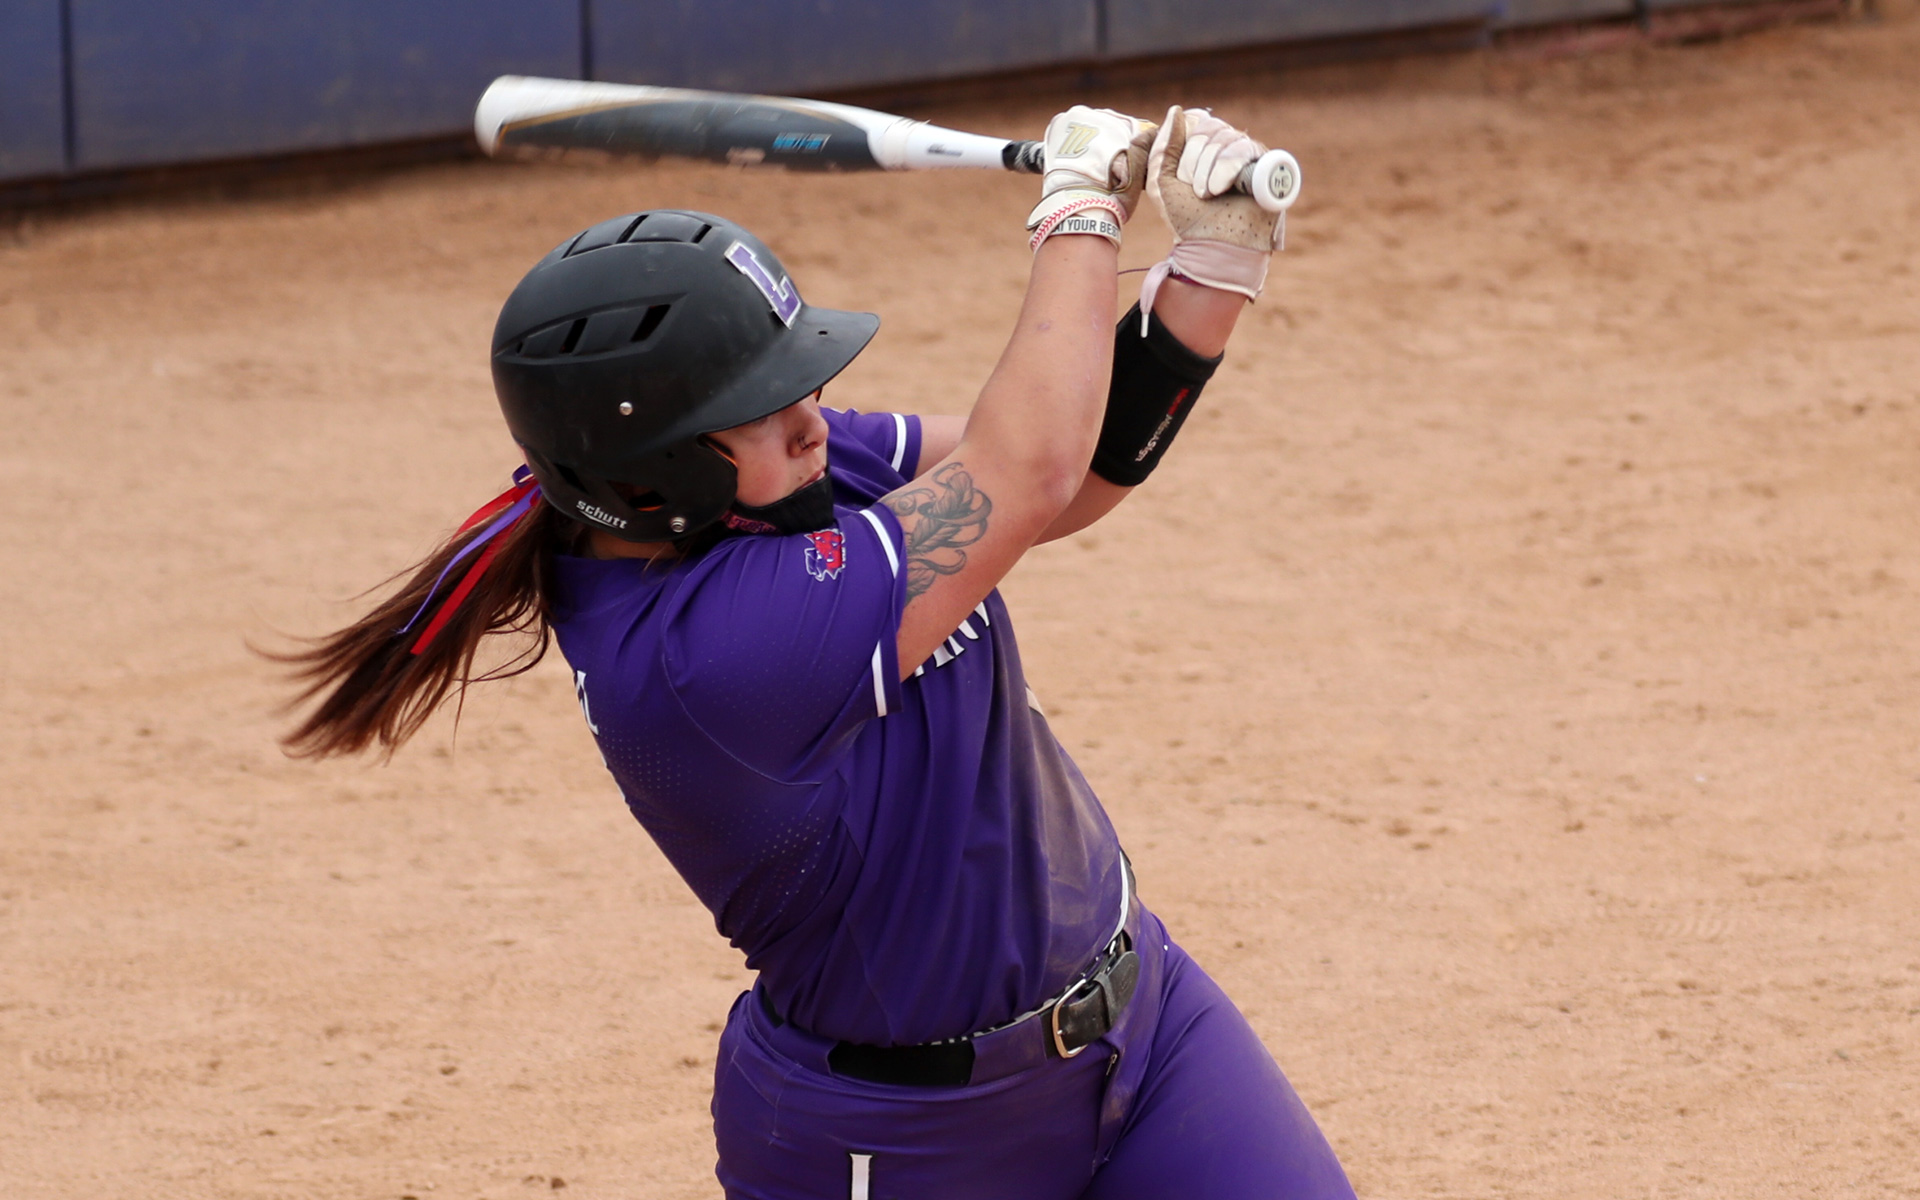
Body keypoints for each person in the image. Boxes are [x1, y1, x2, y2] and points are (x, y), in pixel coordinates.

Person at [280, 105, 1356, 1200]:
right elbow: (1025, 470)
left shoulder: (775, 481)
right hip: (910, 1142)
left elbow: (1068, 471)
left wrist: (1213, 267)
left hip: (1149, 1034)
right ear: (652, 473)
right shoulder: (711, 654)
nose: (814, 422)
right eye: (764, 405)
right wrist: (1078, 215)